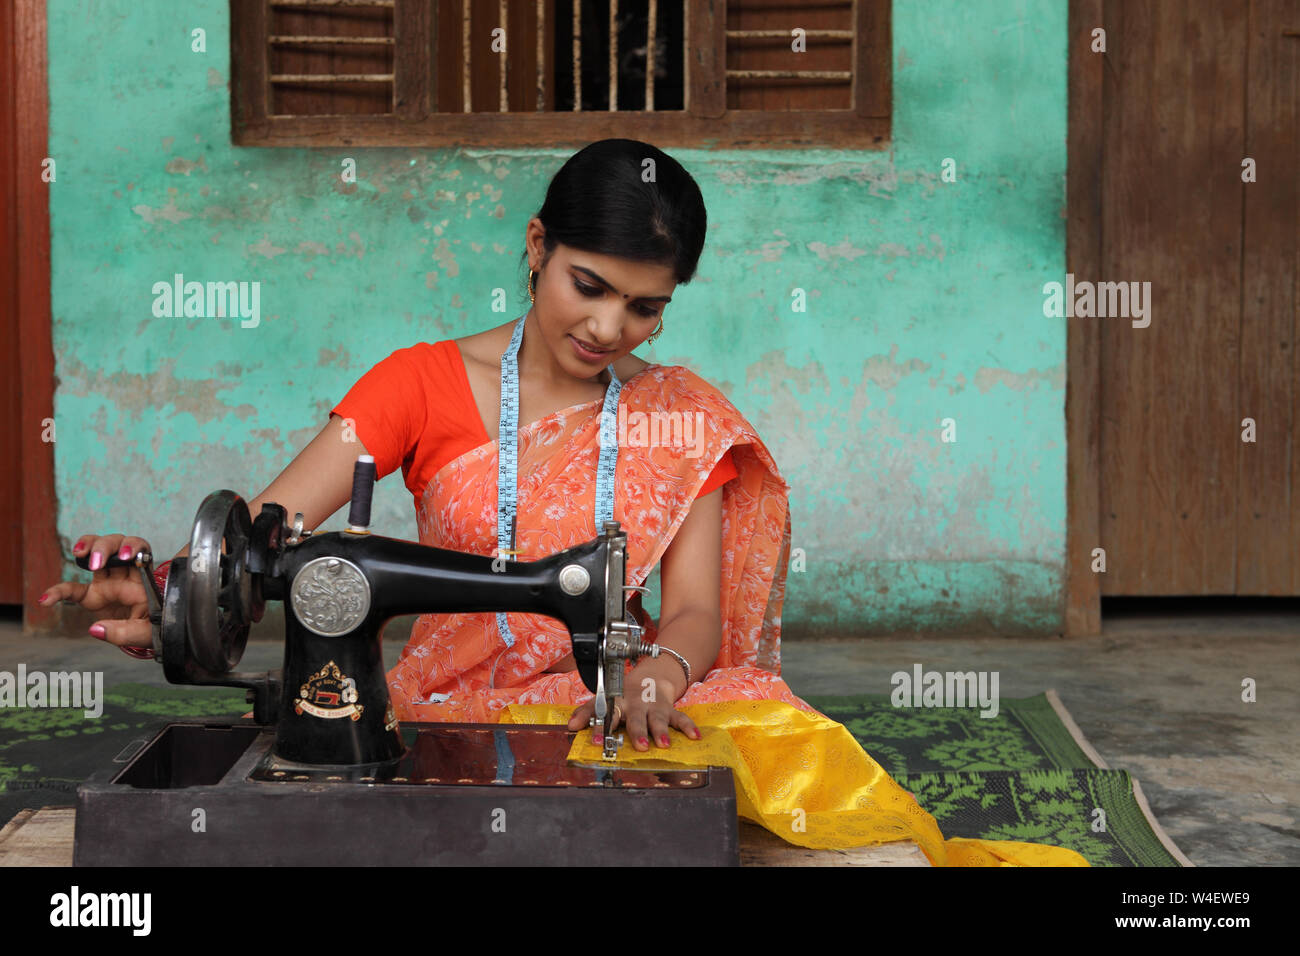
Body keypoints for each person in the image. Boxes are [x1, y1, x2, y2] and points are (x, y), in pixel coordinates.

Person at [39, 139, 1087, 865]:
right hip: (447, 704)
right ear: (538, 246)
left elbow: (691, 616)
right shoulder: (415, 383)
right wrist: (168, 590)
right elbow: (269, 541)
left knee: (786, 743)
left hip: (603, 701)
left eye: (645, 307)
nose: (613, 327)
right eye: (589, 284)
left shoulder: (682, 417)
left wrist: (662, 676)